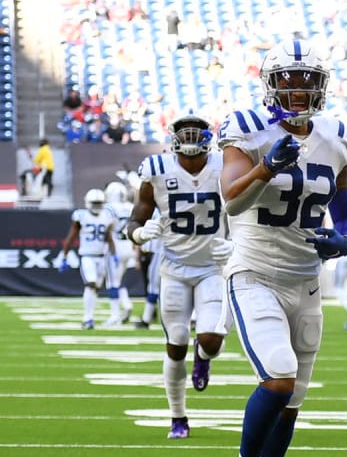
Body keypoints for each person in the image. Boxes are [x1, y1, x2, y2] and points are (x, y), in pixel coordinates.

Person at [219, 40, 347, 457]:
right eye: (289, 79)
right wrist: (267, 167)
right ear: (270, 83)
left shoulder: (337, 135)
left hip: (306, 281)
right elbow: (232, 202)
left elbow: (345, 200)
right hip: (255, 270)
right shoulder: (247, 128)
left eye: (307, 80)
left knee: (292, 402)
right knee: (278, 377)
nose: (298, 89)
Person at [126, 114, 232, 440]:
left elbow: (250, 207)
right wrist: (141, 235)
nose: (189, 137)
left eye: (195, 132)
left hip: (213, 266)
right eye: (183, 131)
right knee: (176, 343)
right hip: (173, 268)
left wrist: (238, 241)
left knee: (212, 338)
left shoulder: (225, 165)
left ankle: (204, 358)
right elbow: (133, 221)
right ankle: (178, 417)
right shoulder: (156, 170)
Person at [59, 188, 118, 329]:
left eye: (99, 203)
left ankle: (90, 317)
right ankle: (87, 318)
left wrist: (114, 253)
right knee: (90, 284)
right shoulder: (81, 216)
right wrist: (64, 256)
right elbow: (71, 237)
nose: (97, 206)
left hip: (101, 257)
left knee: (96, 288)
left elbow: (108, 237)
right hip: (87, 257)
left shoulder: (107, 215)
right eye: (95, 203)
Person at [103, 181, 136, 326]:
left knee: (112, 282)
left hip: (115, 246)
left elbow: (106, 228)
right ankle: (127, 304)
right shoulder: (130, 207)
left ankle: (115, 315)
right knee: (118, 279)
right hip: (128, 246)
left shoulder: (109, 208)